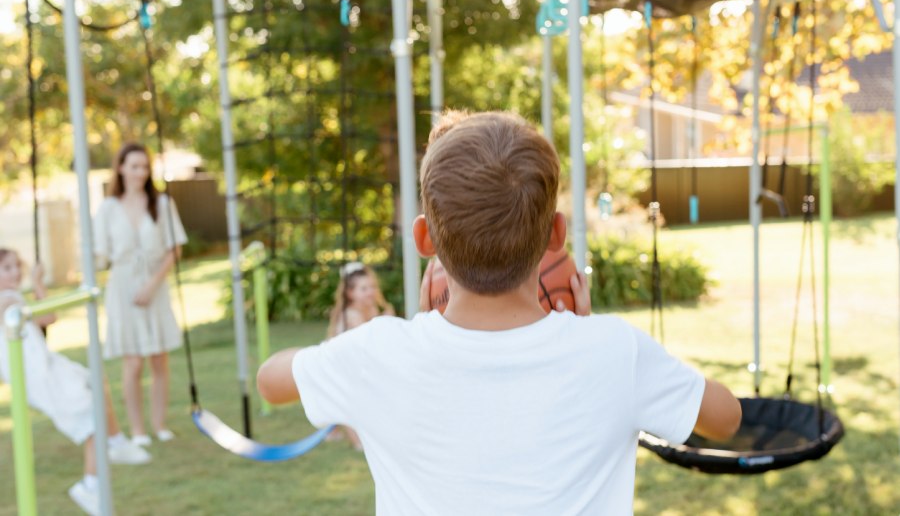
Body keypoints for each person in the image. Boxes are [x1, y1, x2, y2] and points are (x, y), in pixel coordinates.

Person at [257, 111, 741, 515]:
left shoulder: (376, 352)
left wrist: (409, 335)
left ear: (425, 239)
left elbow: (270, 380)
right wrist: (588, 340)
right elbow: (727, 418)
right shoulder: (616, 351)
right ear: (557, 234)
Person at [0, 248, 151, 516]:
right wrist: (35, 288)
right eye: (7, 268)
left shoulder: (12, 297)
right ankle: (89, 486)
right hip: (38, 374)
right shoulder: (7, 300)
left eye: (16, 266)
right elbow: (36, 315)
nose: (15, 272)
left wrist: (36, 286)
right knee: (91, 422)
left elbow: (47, 318)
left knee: (95, 379)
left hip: (47, 363)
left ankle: (115, 442)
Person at [93, 141, 187, 447]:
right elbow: (99, 254)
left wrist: (152, 285)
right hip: (122, 288)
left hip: (154, 284)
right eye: (134, 166)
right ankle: (137, 429)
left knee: (159, 359)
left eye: (144, 166)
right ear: (121, 168)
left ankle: (159, 424)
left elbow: (174, 249)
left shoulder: (160, 204)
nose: (140, 172)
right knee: (132, 363)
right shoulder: (108, 208)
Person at [325, 262, 395, 449]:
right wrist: (385, 322)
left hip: (357, 362)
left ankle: (334, 427)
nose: (370, 291)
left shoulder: (371, 308)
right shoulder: (351, 314)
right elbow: (368, 339)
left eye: (372, 287)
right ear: (350, 293)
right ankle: (358, 442)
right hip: (340, 364)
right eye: (364, 288)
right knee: (349, 402)